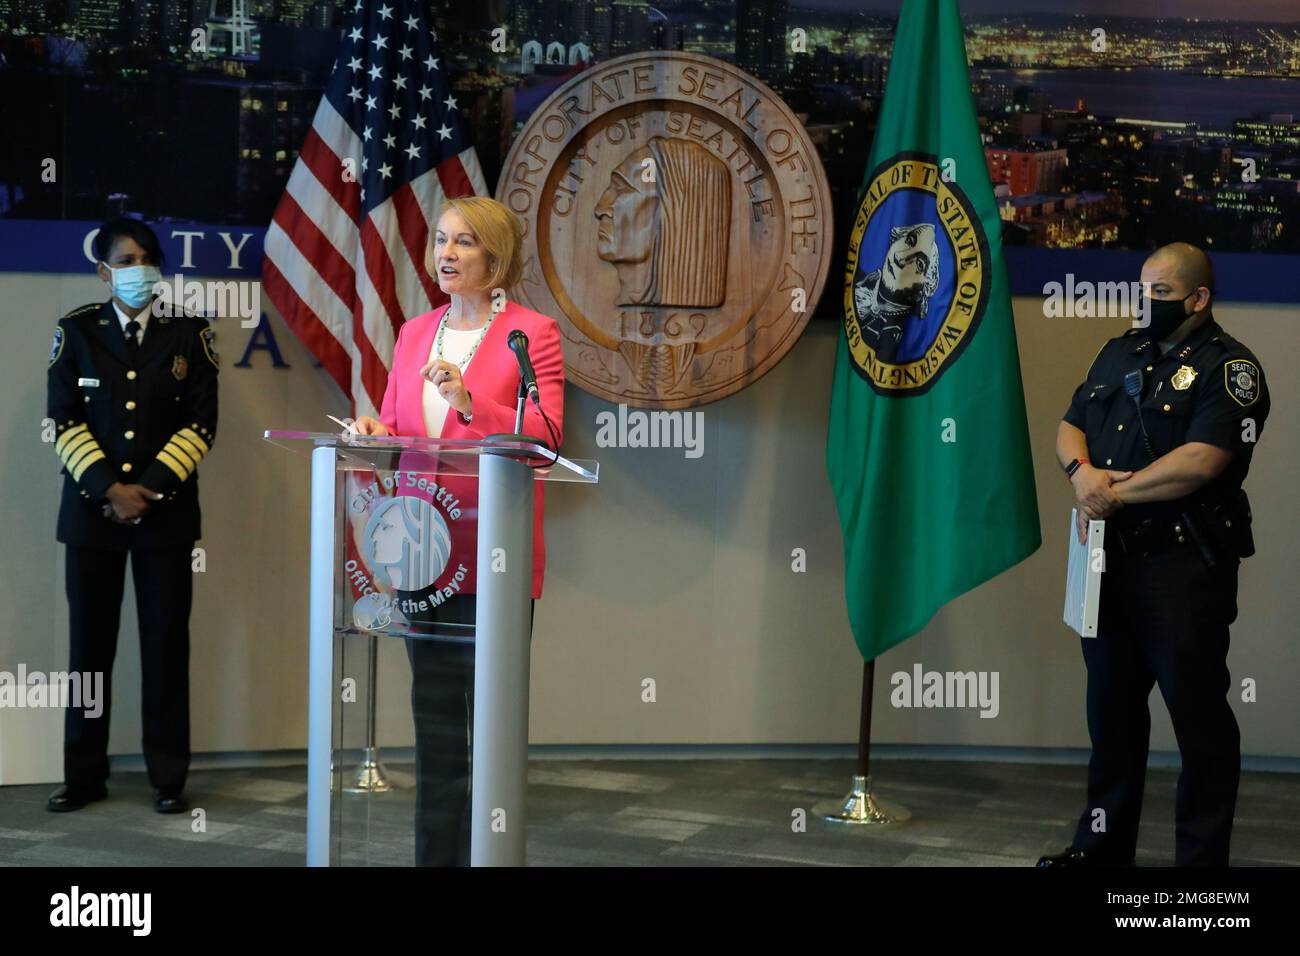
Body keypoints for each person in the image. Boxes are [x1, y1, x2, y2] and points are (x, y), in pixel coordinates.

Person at [352, 196, 565, 865]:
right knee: (437, 730)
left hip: (493, 556)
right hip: (421, 551)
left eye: (464, 242)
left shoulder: (531, 334)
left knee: (491, 727)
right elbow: (395, 426)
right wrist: (372, 434)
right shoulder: (415, 332)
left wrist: (472, 402)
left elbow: (549, 438)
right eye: (441, 240)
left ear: (494, 257)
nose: (446, 254)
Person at [1040, 242, 1268, 867]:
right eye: (1143, 291)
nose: (1147, 304)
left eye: (1161, 294)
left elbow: (1202, 462)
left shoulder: (1232, 369)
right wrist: (1079, 473)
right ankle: (1101, 851)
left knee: (1200, 726)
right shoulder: (1121, 350)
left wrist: (1110, 490)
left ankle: (1200, 867)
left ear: (1199, 299)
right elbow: (1070, 423)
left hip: (1183, 570)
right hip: (1107, 563)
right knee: (1110, 718)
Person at [46, 217, 219, 814]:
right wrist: (107, 489)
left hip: (165, 518)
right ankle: (83, 775)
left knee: (166, 648)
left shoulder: (189, 335)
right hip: (91, 518)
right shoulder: (76, 333)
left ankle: (168, 779)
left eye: (146, 258)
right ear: (104, 271)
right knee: (88, 653)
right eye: (124, 260)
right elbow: (64, 420)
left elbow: (201, 425)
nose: (137, 269)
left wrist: (144, 490)